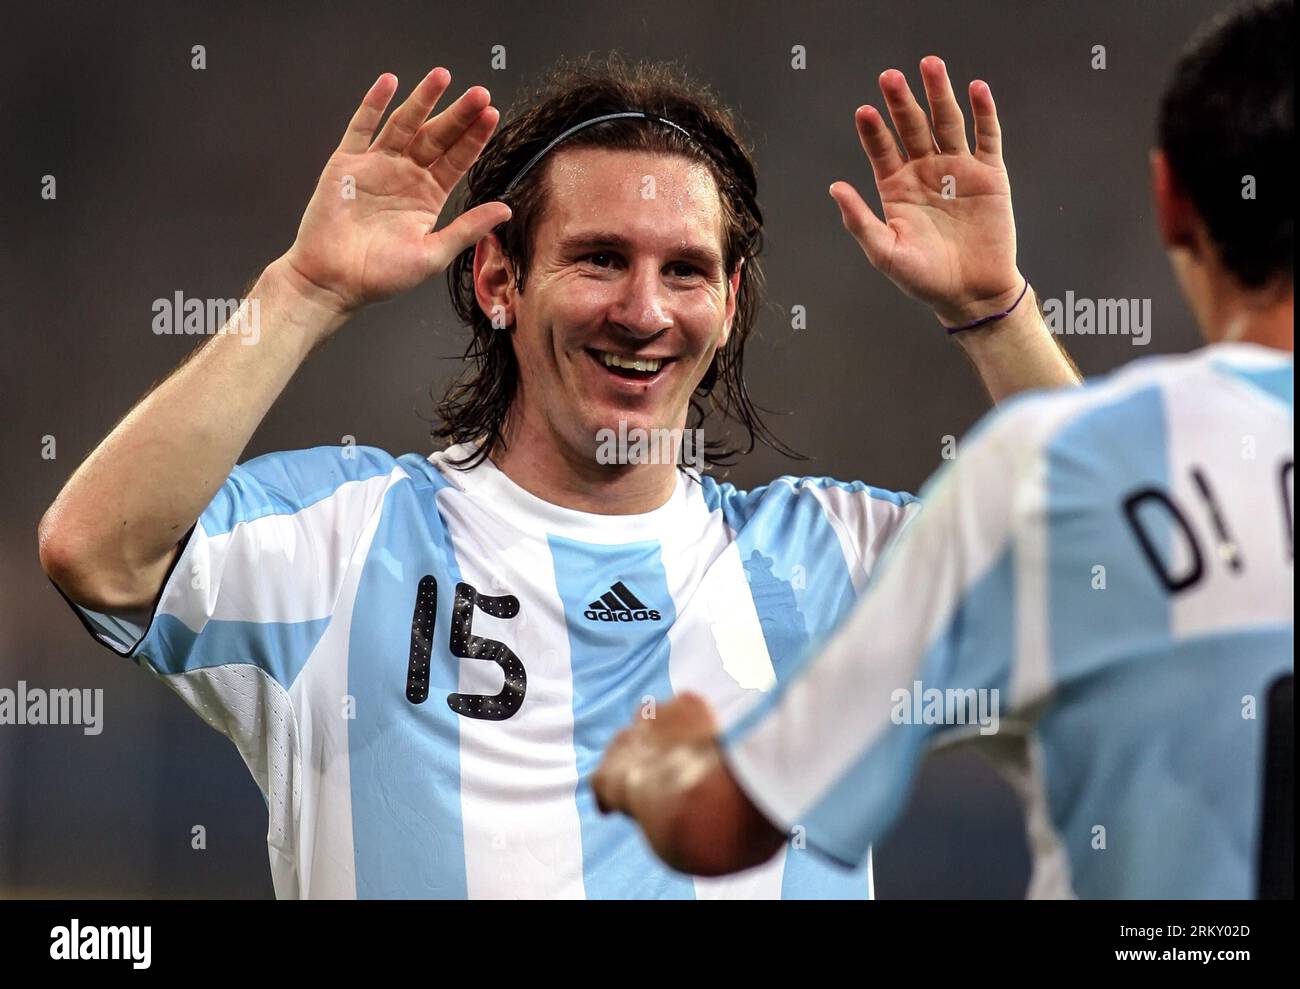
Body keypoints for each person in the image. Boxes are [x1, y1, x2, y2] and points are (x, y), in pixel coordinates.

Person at [38, 51, 1076, 898]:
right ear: (498, 277)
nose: (642, 309)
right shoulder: (343, 541)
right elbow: (98, 552)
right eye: (598, 258)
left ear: (731, 303)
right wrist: (304, 290)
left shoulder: (832, 565)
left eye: (685, 270)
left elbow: (1116, 589)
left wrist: (995, 311)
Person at [593, 0, 1294, 899]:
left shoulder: (1046, 473)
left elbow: (720, 823)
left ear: (1170, 201)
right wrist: (994, 309)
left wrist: (661, 763)